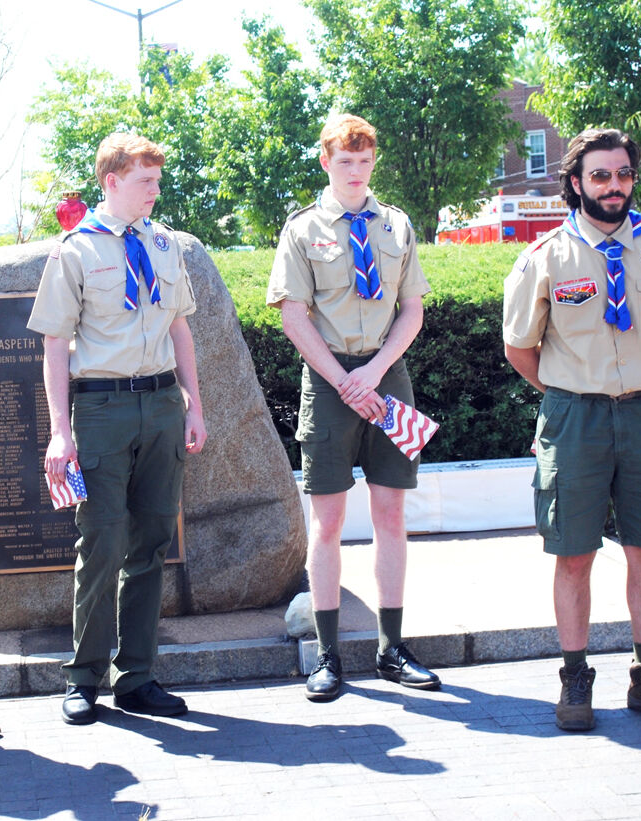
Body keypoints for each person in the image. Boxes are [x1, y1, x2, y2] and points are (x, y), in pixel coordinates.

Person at [502, 128, 641, 731]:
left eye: (624, 175)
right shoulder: (544, 259)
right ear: (576, 183)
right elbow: (520, 348)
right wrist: (569, 394)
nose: (615, 187)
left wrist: (633, 382)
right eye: (601, 176)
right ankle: (575, 676)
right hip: (575, 417)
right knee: (574, 553)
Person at [27, 133, 207, 725]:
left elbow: (180, 330)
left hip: (161, 406)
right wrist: (60, 431)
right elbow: (56, 346)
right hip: (100, 411)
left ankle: (138, 678)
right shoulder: (74, 251)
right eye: (144, 181)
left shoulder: (163, 243)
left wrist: (195, 407)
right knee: (101, 543)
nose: (156, 190)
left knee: (151, 544)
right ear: (112, 181)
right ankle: (84, 680)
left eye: (157, 180)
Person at [267, 114, 439, 702]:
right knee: (329, 523)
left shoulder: (396, 225)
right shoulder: (302, 229)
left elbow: (412, 310)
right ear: (326, 162)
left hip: (386, 377)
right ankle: (329, 655)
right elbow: (293, 316)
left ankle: (392, 648)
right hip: (330, 382)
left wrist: (372, 373)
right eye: (346, 162)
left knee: (391, 515)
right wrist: (344, 380)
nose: (357, 173)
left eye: (365, 162)